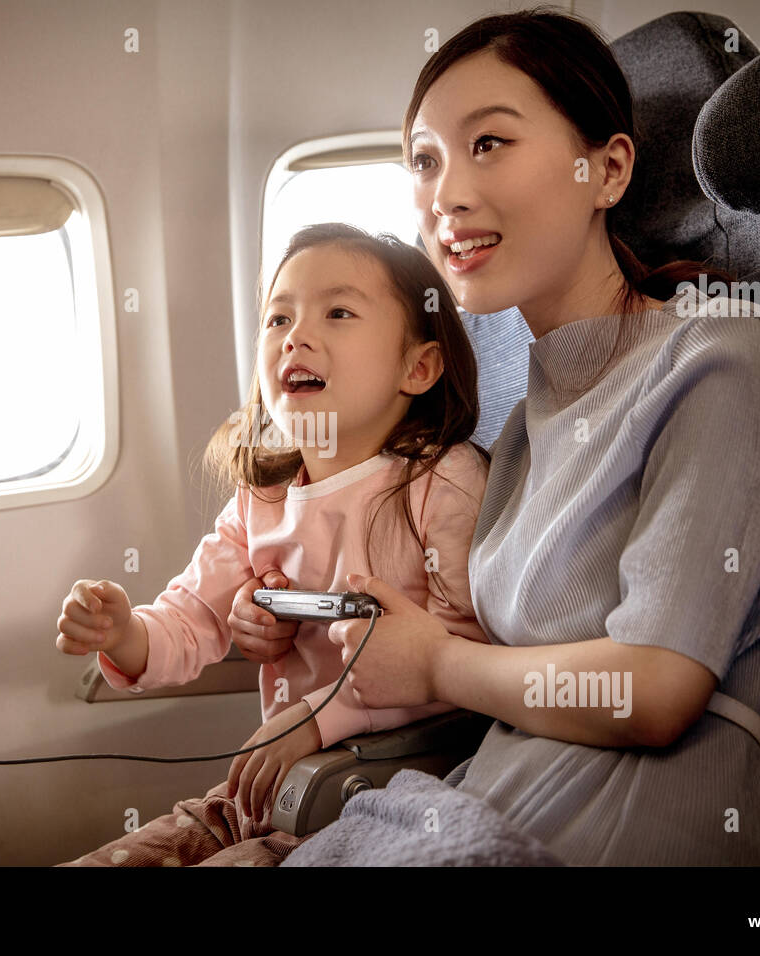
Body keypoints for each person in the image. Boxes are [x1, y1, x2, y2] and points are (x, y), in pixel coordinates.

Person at [233, 9, 760, 866]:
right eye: (425, 162)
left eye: (489, 144)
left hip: (632, 817)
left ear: (607, 169)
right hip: (485, 796)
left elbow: (657, 688)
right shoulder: (523, 420)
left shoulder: (721, 353)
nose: (446, 195)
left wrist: (433, 666)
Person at [54, 223, 492, 866]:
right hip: (265, 793)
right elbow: (190, 616)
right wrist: (124, 632)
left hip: (388, 786)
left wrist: (320, 719)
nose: (296, 336)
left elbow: (466, 659)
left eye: (338, 312)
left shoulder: (439, 483)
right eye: (278, 317)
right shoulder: (263, 496)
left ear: (417, 366)